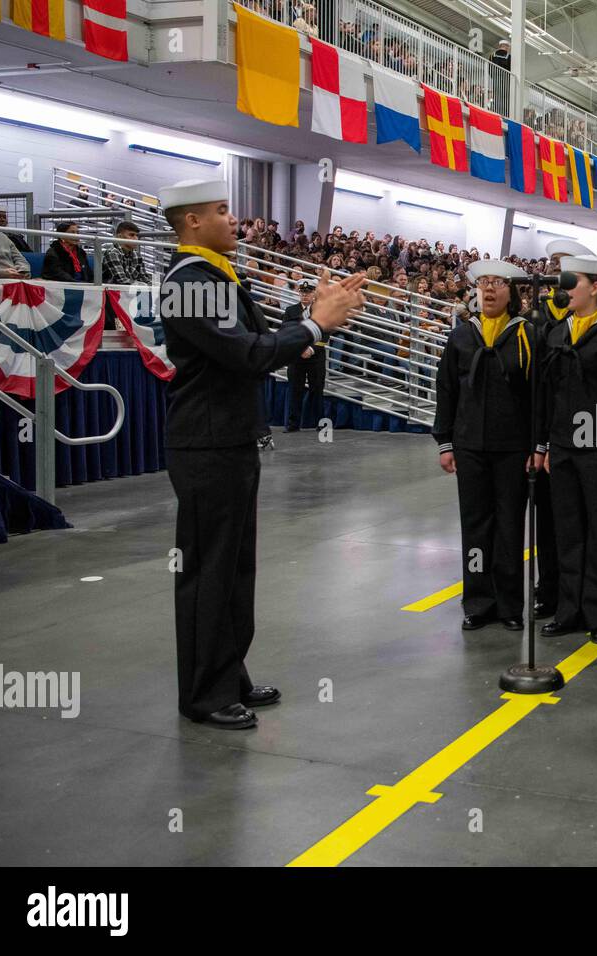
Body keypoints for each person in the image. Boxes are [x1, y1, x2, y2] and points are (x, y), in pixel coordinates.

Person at [157, 178, 365, 730]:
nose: (235, 221)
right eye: (222, 211)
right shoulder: (191, 282)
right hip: (207, 443)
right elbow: (249, 355)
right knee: (209, 570)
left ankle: (229, 675)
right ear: (192, 222)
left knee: (234, 567)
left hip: (228, 438)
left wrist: (311, 315)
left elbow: (260, 345)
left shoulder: (218, 275)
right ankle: (204, 693)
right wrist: (316, 324)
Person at [433, 259, 536, 632]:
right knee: (475, 526)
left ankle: (509, 604)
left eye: (498, 283)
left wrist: (534, 445)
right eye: (484, 283)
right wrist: (445, 442)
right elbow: (446, 389)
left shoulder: (526, 334)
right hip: (469, 446)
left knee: (510, 526)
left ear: (512, 292)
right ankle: (478, 601)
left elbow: (536, 396)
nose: (489, 289)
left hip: (512, 449)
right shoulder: (462, 335)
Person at [536, 255, 597, 645]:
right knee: (568, 530)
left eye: (574, 281)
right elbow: (551, 394)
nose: (565, 289)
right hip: (565, 445)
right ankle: (569, 610)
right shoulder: (558, 332)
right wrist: (549, 444)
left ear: (596, 287)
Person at [282, 282, 329, 431]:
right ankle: (293, 424)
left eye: (308, 293)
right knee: (295, 389)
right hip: (296, 356)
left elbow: (325, 332)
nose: (305, 295)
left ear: (314, 294)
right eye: (302, 293)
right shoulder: (291, 310)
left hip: (316, 355)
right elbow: (286, 331)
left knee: (317, 390)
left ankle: (320, 423)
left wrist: (311, 348)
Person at [102, 221, 150, 285]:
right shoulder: (112, 253)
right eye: (131, 235)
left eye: (137, 235)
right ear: (120, 236)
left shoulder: (137, 255)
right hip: (112, 292)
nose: (136, 238)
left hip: (130, 292)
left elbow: (144, 278)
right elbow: (122, 280)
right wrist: (143, 284)